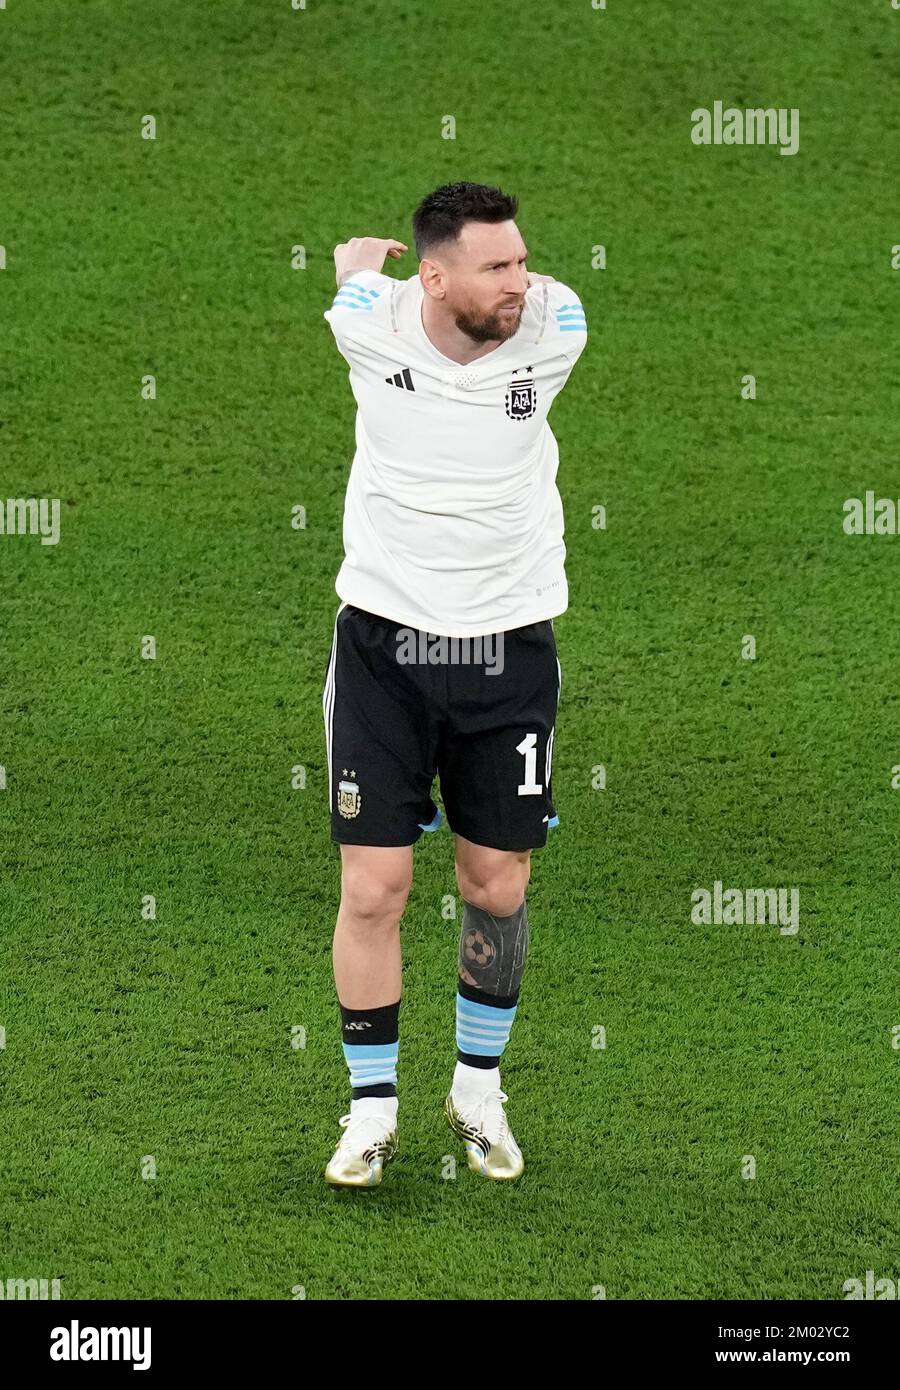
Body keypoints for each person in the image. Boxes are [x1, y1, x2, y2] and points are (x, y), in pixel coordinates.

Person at [320, 181, 588, 1186]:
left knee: (497, 884)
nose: (519, 284)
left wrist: (517, 283)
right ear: (431, 278)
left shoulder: (557, 328)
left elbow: (545, 297)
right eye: (495, 268)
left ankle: (478, 1094)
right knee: (374, 885)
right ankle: (369, 1108)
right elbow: (352, 282)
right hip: (385, 647)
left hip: (508, 648)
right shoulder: (370, 331)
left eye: (522, 262)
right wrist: (358, 261)